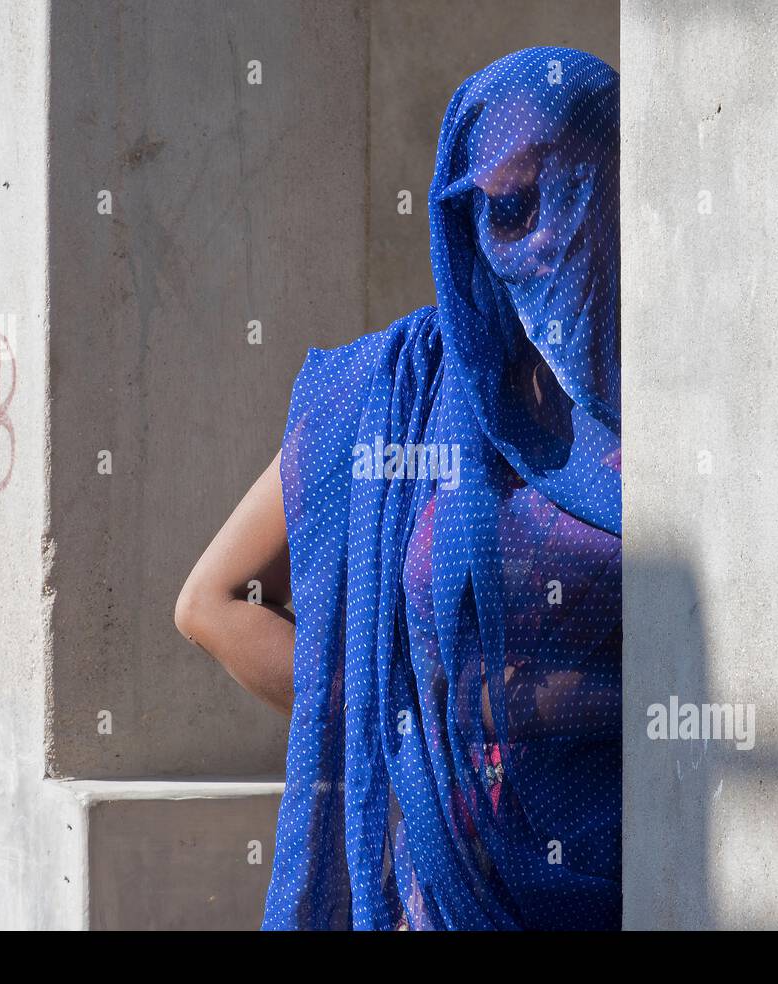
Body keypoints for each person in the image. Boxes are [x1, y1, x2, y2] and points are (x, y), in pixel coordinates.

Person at [176, 46, 621, 930]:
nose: (530, 236)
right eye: (501, 207)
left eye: (559, 195)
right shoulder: (398, 392)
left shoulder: (693, 409)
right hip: (442, 897)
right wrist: (401, 726)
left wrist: (568, 704)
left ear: (611, 192)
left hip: (651, 885)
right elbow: (212, 602)